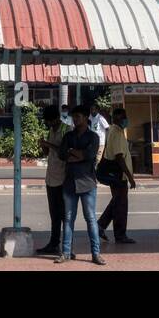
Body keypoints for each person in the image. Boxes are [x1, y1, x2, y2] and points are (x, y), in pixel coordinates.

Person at [56, 104, 104, 265]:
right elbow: (62, 154)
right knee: (68, 219)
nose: (75, 120)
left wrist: (74, 152)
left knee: (90, 218)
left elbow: (90, 155)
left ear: (85, 117)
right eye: (74, 117)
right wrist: (80, 154)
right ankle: (66, 252)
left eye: (78, 117)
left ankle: (96, 253)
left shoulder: (93, 137)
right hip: (69, 182)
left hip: (87, 183)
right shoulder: (68, 136)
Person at [97, 107, 136, 244]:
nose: (125, 120)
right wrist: (130, 177)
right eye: (123, 117)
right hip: (119, 175)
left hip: (117, 175)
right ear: (118, 119)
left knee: (116, 202)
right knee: (120, 206)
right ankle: (120, 235)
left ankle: (100, 226)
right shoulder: (117, 132)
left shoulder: (114, 130)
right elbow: (119, 157)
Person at [36, 105, 70, 255]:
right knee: (54, 214)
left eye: (50, 121)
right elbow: (47, 152)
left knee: (64, 215)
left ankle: (66, 246)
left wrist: (48, 144)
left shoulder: (67, 130)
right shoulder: (51, 130)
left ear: (56, 118)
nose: (48, 124)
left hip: (62, 178)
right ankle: (53, 243)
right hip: (51, 178)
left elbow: (63, 151)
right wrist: (43, 145)